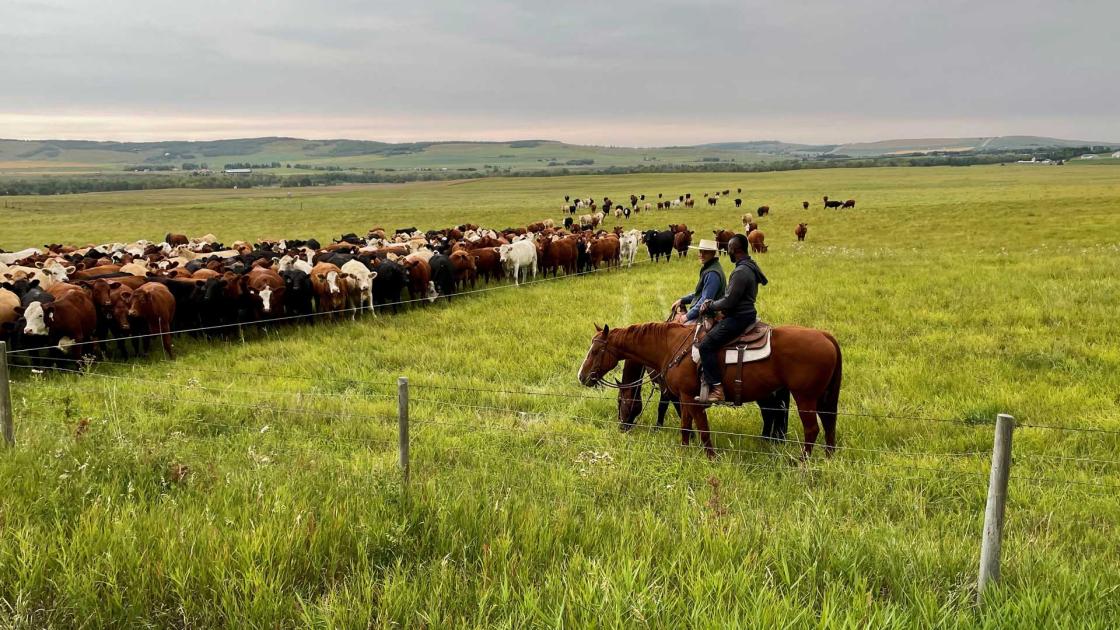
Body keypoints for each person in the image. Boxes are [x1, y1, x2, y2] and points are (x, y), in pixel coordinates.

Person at [695, 233, 768, 403]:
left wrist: (710, 305)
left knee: (705, 346)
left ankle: (717, 389)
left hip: (738, 318)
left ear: (735, 249)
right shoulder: (750, 266)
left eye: (729, 249)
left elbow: (729, 301)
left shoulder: (741, 271)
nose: (727, 253)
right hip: (746, 314)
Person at [670, 239, 725, 323]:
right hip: (704, 312)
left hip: (709, 314)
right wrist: (682, 300)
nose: (701, 255)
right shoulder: (710, 268)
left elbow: (705, 301)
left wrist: (687, 316)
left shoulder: (712, 273)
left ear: (713, 253)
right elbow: (700, 294)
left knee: (680, 332)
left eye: (705, 252)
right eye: (700, 251)